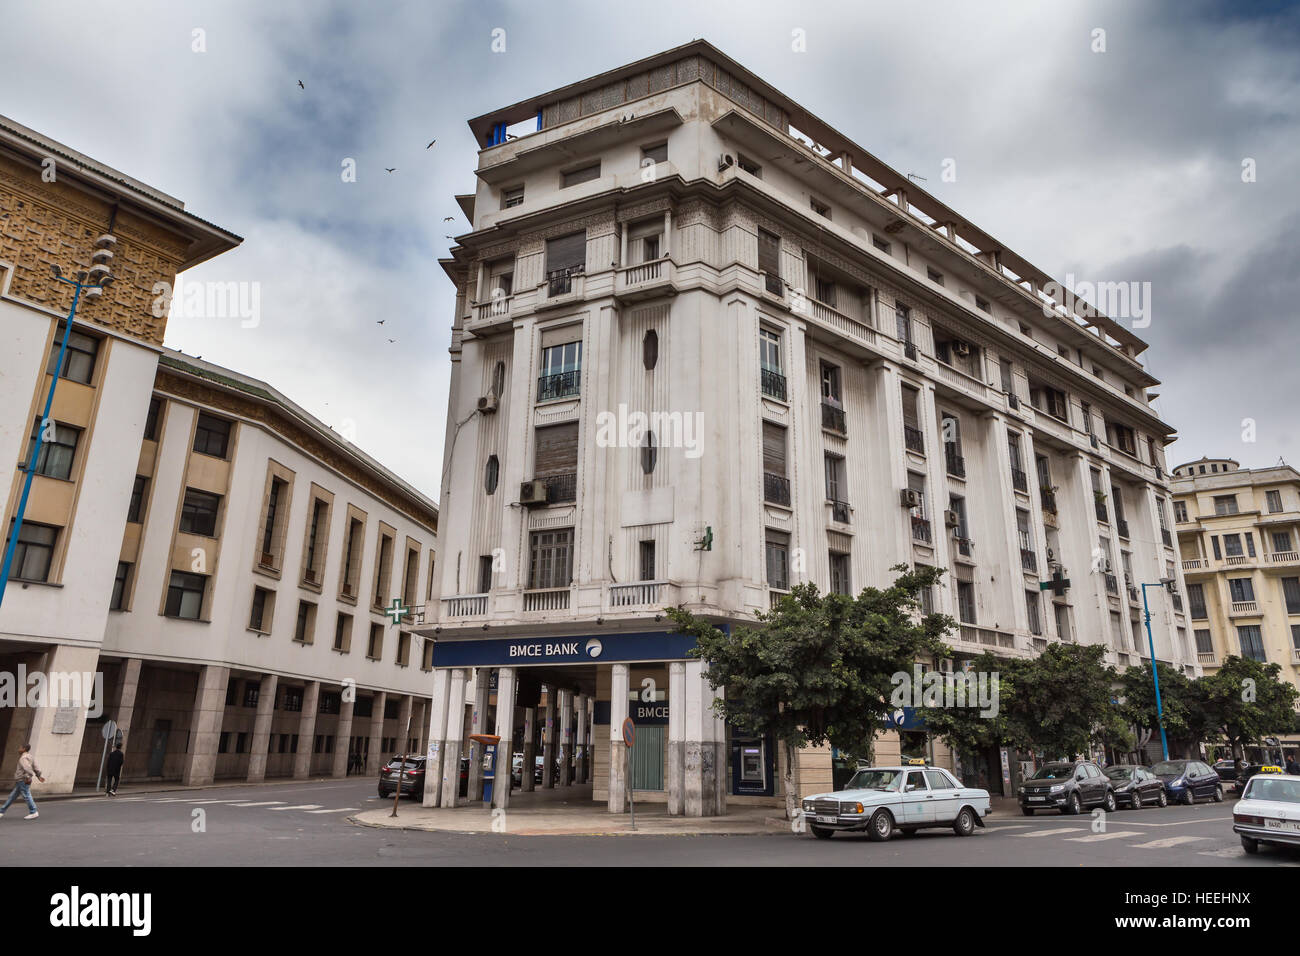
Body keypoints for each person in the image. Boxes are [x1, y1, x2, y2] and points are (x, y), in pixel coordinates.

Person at [0, 743, 45, 820]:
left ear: (24, 749)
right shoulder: (30, 757)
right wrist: (39, 776)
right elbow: (36, 768)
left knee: (27, 795)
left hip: (23, 780)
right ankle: (1, 811)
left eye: (20, 748)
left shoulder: (23, 758)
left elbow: (27, 768)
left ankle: (33, 812)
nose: (18, 749)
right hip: (22, 780)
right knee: (12, 797)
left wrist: (28, 777)